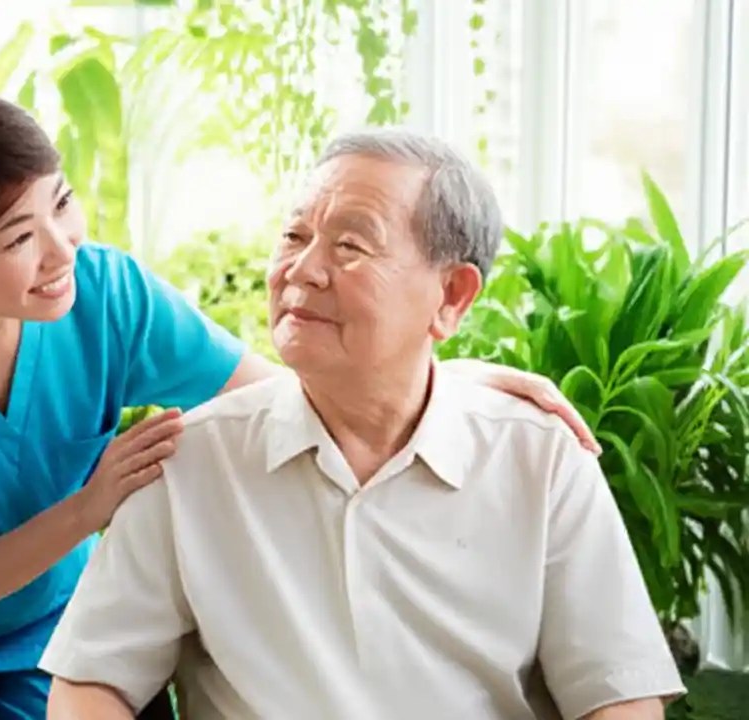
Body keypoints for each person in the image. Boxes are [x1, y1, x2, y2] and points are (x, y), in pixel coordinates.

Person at [0, 90, 602, 719]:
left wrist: (444, 379)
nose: (61, 246)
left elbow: (287, 387)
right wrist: (91, 508)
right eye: (18, 239)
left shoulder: (105, 295)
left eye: (62, 202)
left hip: (50, 620)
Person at [39, 129, 685, 720]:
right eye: (294, 237)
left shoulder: (540, 458)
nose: (303, 270)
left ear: (453, 296)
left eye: (350, 246)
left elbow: (618, 696)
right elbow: (92, 680)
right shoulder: (188, 462)